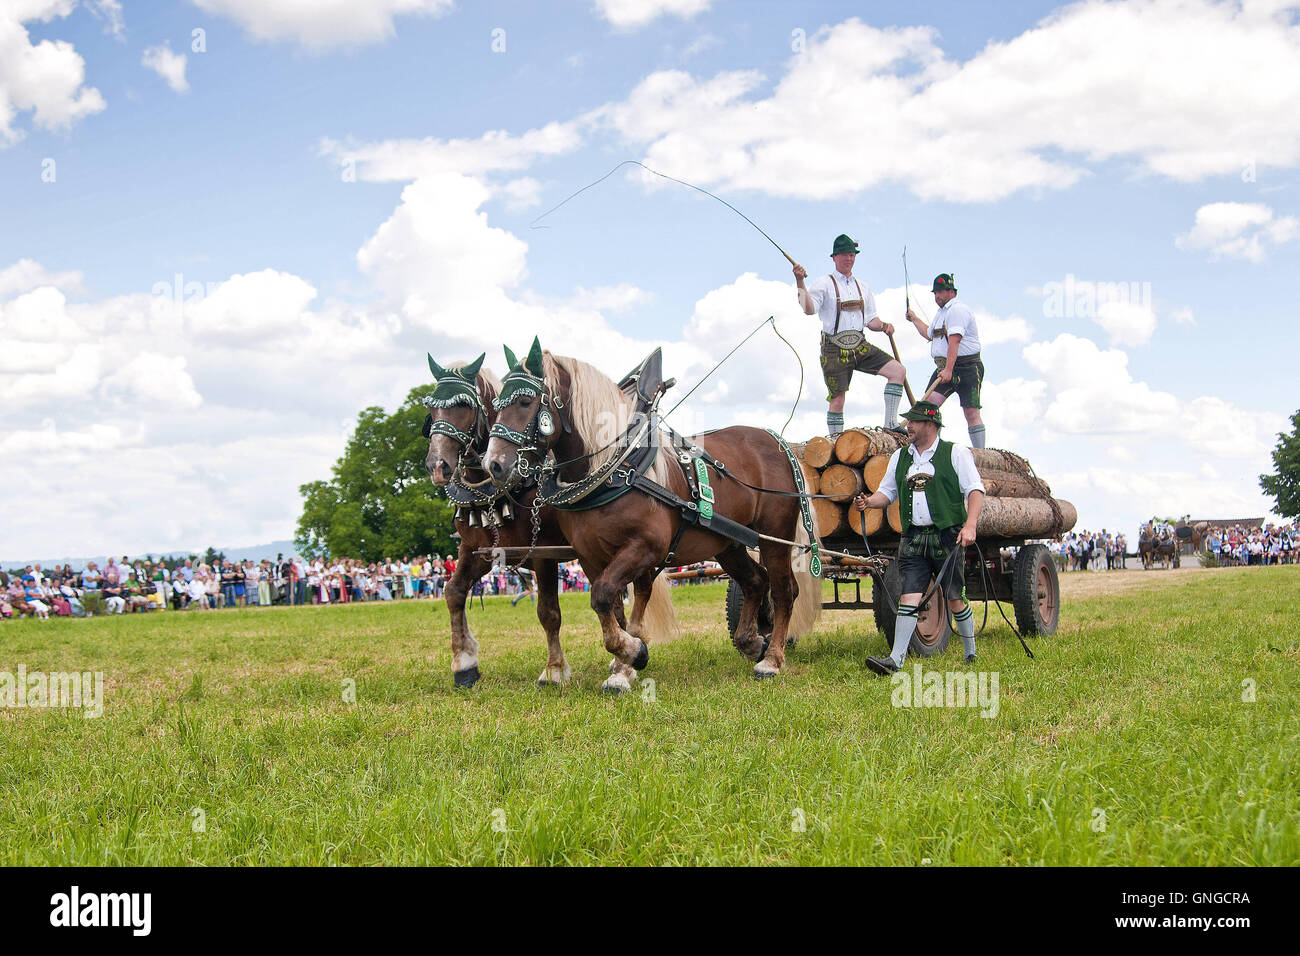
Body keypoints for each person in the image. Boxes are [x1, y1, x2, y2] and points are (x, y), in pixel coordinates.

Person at [852, 400, 986, 673]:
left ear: (930, 424)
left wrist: (970, 525)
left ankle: (970, 653)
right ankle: (896, 659)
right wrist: (869, 502)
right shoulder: (900, 458)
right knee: (908, 596)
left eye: (913, 421)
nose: (908, 426)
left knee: (954, 596)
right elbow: (886, 493)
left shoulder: (955, 453)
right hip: (913, 538)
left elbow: (975, 490)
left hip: (948, 536)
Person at [793, 233, 908, 437]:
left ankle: (890, 424)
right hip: (834, 348)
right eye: (844, 255)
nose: (849, 259)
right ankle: (836, 441)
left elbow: (870, 320)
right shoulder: (823, 284)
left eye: (852, 255)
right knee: (838, 399)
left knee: (897, 371)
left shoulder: (862, 287)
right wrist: (800, 281)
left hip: (860, 345)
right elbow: (808, 309)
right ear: (835, 257)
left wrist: (884, 326)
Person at [906, 273, 987, 448]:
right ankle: (933, 450)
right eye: (935, 293)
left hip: (967, 367)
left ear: (952, 292)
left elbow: (954, 341)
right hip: (945, 366)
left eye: (941, 292)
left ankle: (981, 454)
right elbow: (928, 333)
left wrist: (949, 370)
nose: (937, 296)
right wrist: (914, 318)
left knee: (971, 411)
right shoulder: (941, 313)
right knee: (928, 408)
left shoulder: (957, 310)